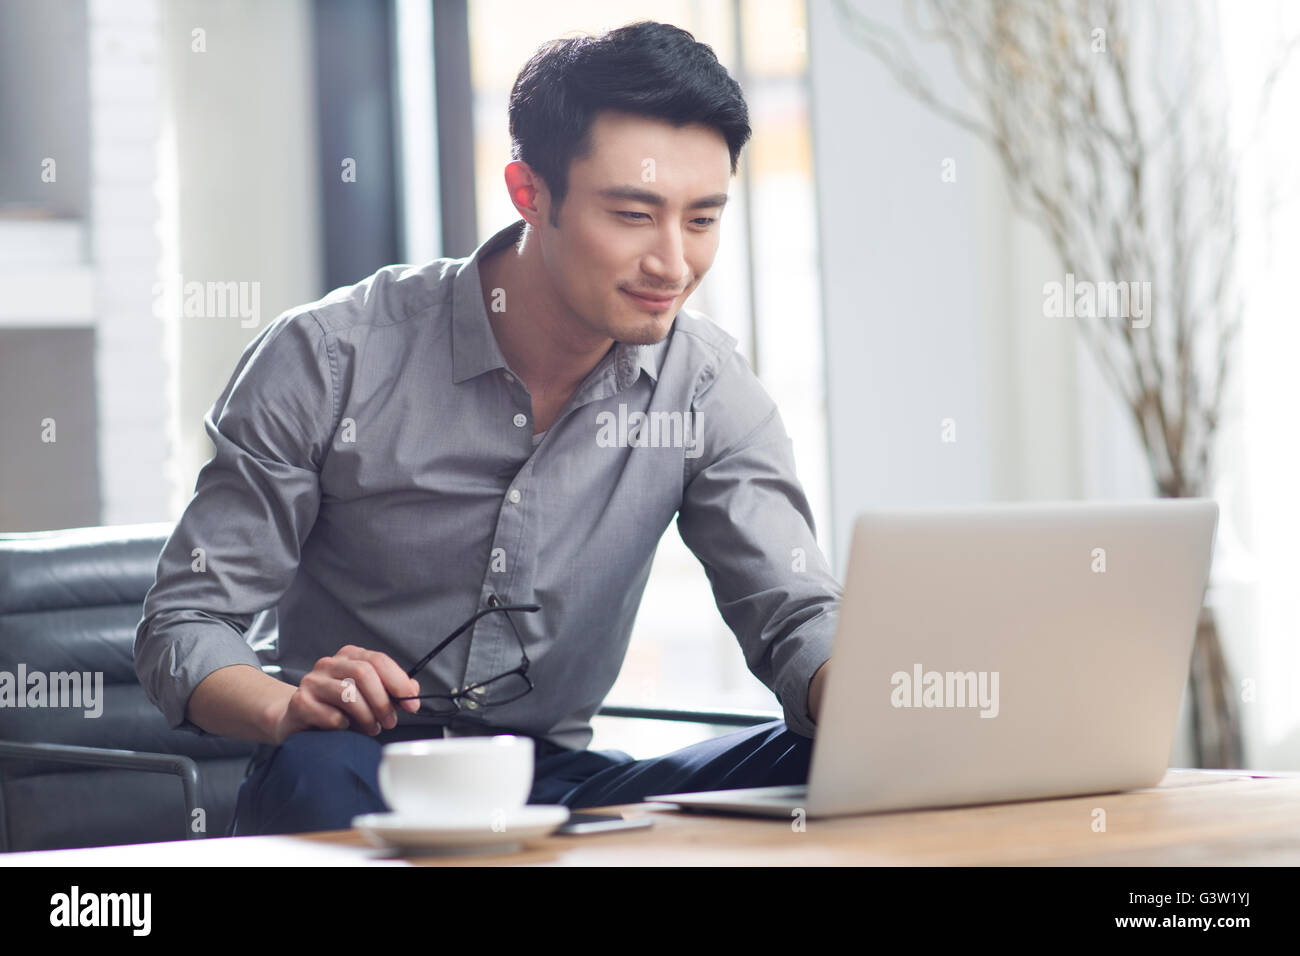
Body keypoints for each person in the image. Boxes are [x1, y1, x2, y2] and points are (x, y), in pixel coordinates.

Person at [134, 19, 840, 836]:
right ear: (529, 192)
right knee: (315, 771)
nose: (673, 265)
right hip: (357, 765)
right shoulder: (330, 357)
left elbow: (794, 616)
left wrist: (867, 695)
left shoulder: (706, 385)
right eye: (634, 215)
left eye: (702, 221)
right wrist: (289, 707)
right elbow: (185, 622)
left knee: (831, 761)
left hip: (558, 783)